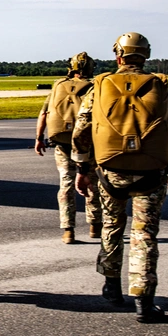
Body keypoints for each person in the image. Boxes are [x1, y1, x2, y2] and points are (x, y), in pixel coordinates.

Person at [71, 32, 168, 323]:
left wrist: (82, 169)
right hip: (151, 175)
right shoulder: (161, 87)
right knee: (144, 234)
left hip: (111, 173)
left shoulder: (99, 86)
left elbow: (81, 130)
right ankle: (144, 300)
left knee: (111, 226)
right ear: (145, 55)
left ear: (118, 56)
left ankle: (111, 286)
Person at [34, 52, 101, 244]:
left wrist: (39, 138)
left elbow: (44, 114)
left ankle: (68, 230)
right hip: (88, 145)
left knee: (66, 185)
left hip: (62, 145)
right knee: (92, 183)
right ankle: (95, 225)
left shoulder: (59, 86)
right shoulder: (95, 87)